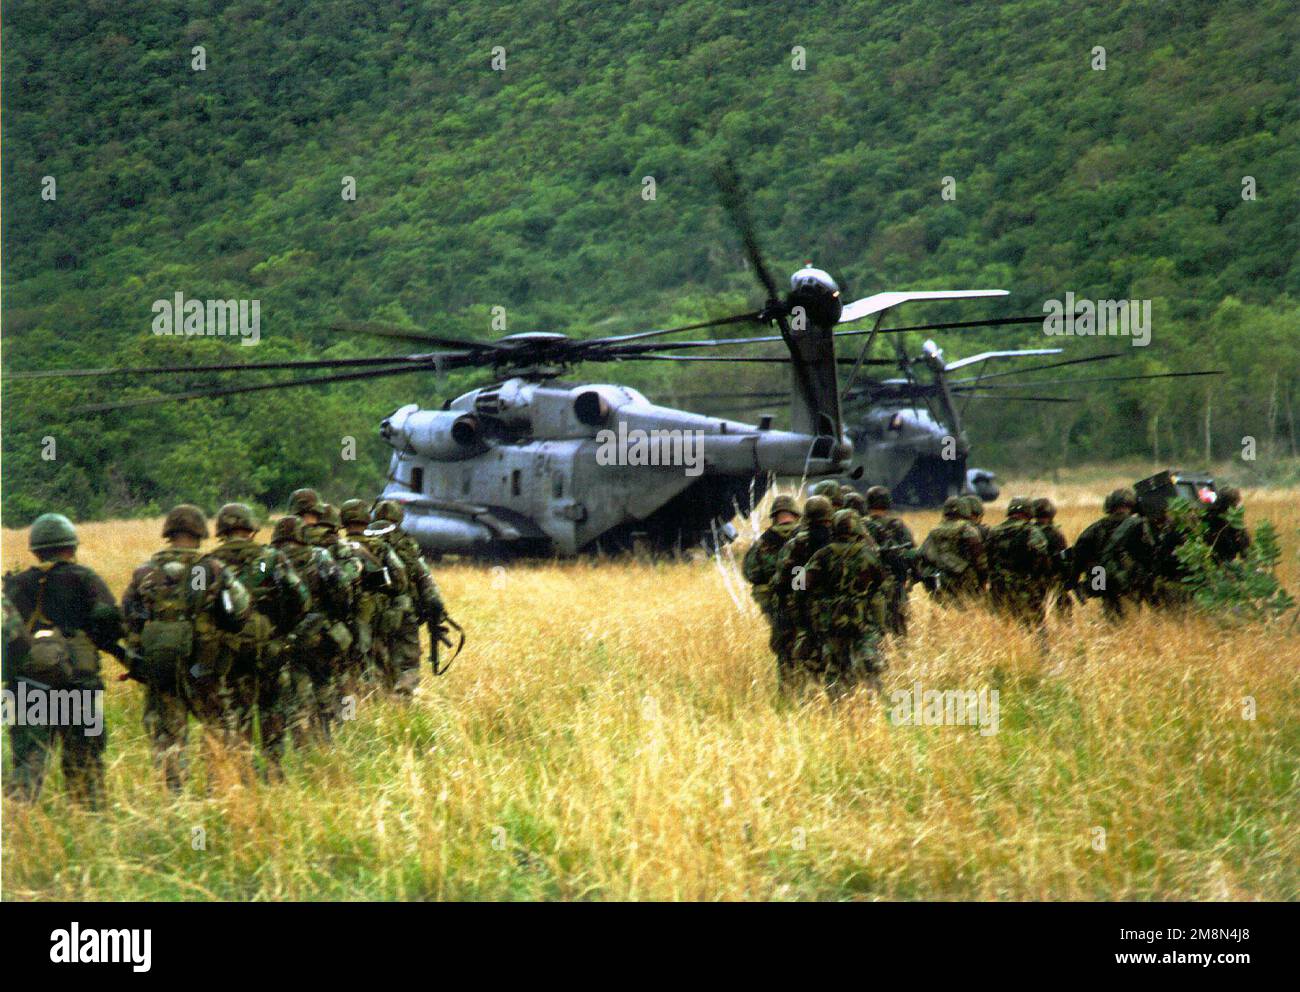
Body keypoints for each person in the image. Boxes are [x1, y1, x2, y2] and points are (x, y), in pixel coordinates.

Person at [122, 504, 251, 791]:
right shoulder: (213, 568)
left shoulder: (144, 571)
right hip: (203, 666)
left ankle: (175, 797)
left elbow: (128, 617)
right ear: (200, 533)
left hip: (162, 664)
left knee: (168, 733)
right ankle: (218, 790)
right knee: (219, 727)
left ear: (169, 533)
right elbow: (241, 610)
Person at [3, 514, 124, 806]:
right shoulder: (85, 579)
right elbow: (111, 624)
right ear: (71, 547)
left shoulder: (14, 585)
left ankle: (17, 831)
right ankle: (90, 832)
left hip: (25, 688)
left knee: (26, 765)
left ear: (36, 550)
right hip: (80, 686)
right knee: (86, 766)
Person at [206, 503, 309, 777]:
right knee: (272, 708)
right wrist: (283, 627)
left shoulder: (208, 563)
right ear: (251, 530)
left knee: (236, 713)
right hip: (269, 648)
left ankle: (242, 772)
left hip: (227, 653)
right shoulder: (272, 557)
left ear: (222, 531)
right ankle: (274, 768)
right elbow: (301, 597)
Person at [269, 515, 347, 741]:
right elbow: (341, 588)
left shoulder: (269, 558)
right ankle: (328, 733)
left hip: (283, 636)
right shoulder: (319, 555)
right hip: (319, 634)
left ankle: (301, 740)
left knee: (294, 690)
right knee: (324, 682)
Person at [801, 509, 887, 699]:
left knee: (834, 666)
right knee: (868, 663)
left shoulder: (822, 555)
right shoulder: (867, 554)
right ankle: (875, 702)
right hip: (861, 620)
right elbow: (881, 582)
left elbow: (800, 585)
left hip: (831, 621)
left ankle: (838, 705)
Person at [365, 500, 446, 699]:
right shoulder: (405, 542)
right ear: (399, 518)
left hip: (370, 613)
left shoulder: (362, 540)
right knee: (408, 662)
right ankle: (403, 700)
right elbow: (423, 577)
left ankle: (374, 700)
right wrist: (437, 610)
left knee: (375, 659)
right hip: (403, 613)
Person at [339, 499, 408, 693]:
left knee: (345, 668)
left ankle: (349, 713)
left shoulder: (335, 548)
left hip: (341, 618)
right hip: (374, 617)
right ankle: (376, 704)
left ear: (343, 521)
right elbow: (400, 580)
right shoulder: (381, 548)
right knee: (377, 662)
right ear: (367, 519)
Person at [773, 495, 835, 694]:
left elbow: (783, 581)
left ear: (806, 517)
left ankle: (808, 696)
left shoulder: (797, 544)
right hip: (837, 610)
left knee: (808, 659)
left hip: (806, 612)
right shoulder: (838, 539)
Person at [742, 494, 801, 687]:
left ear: (774, 516)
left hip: (778, 605)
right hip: (807, 602)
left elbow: (749, 572)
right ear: (795, 514)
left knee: (784, 648)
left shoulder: (764, 541)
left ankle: (788, 689)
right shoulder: (805, 535)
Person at [1070, 488, 1147, 619]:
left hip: (1103, 583)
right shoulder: (1140, 526)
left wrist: (1074, 581)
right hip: (1129, 583)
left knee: (1112, 619)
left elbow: (1079, 554)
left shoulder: (1096, 528)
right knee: (1131, 624)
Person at [986, 497, 1052, 628]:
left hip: (998, 588)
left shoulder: (994, 532)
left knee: (1002, 627)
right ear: (1028, 513)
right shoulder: (1031, 531)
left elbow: (987, 559)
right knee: (1034, 627)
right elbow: (1043, 560)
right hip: (1025, 589)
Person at [862, 485, 916, 636]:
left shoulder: (861, 525)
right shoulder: (896, 525)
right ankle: (902, 658)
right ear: (888, 503)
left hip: (868, 585)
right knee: (899, 629)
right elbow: (911, 554)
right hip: (895, 585)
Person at [919, 496, 987, 606]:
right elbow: (979, 557)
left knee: (943, 610)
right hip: (965, 581)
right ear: (964, 510)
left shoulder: (934, 531)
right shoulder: (967, 529)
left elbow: (923, 556)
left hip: (940, 581)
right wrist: (983, 580)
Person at [1032, 498, 1073, 618]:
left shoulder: (1029, 530)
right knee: (1064, 607)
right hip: (1053, 579)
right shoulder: (1055, 533)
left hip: (1033, 580)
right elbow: (1063, 559)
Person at [1204, 486, 1251, 564]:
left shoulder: (1208, 514)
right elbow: (1244, 548)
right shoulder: (1231, 521)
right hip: (1222, 561)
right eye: (1236, 502)